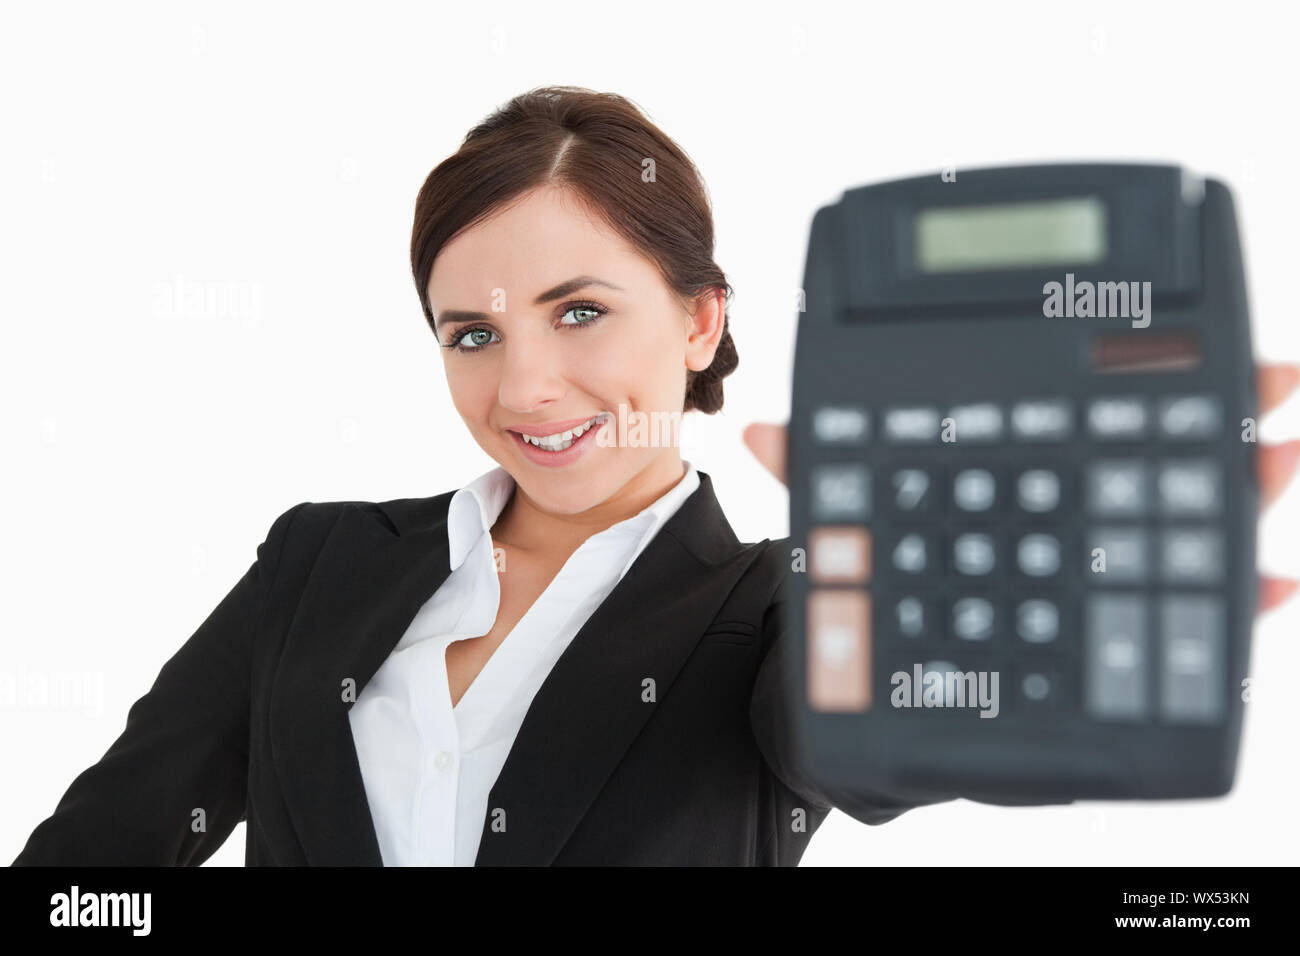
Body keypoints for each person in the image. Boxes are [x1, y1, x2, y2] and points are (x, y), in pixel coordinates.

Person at [13, 86, 1300, 866]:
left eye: (580, 313)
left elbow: (866, 729)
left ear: (699, 321)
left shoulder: (774, 612)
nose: (522, 389)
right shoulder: (318, 563)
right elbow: (98, 864)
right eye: (473, 334)